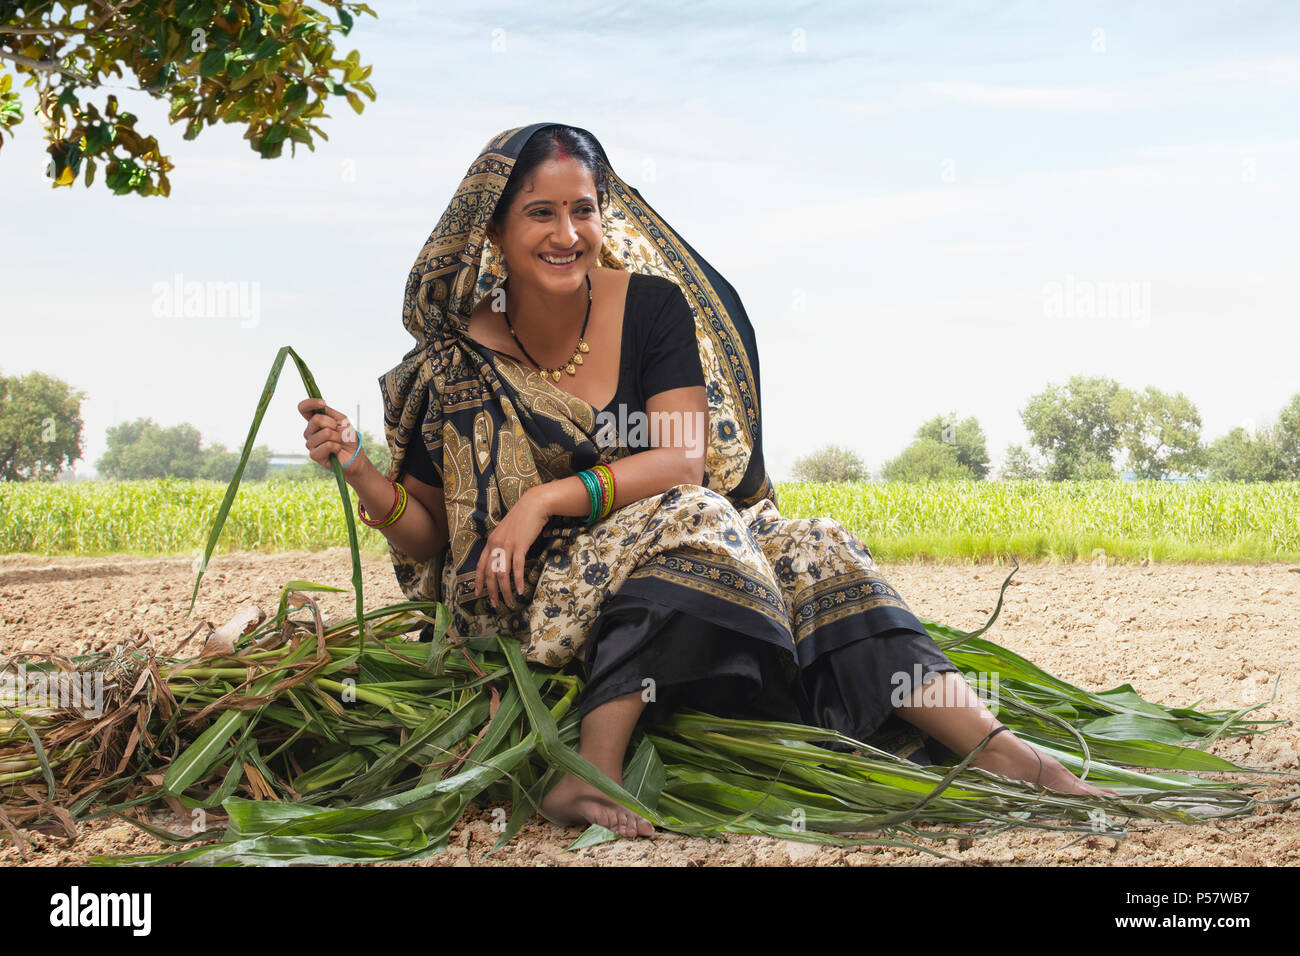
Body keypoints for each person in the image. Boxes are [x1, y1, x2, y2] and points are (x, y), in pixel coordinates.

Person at [299, 122, 1115, 840]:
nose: (566, 233)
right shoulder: (458, 355)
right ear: (496, 230)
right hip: (534, 595)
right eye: (540, 212)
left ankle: (999, 751)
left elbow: (682, 456)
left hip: (688, 547)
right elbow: (432, 534)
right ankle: (591, 769)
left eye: (583, 209)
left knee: (813, 544)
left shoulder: (650, 306)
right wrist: (360, 469)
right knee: (693, 519)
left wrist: (545, 494)